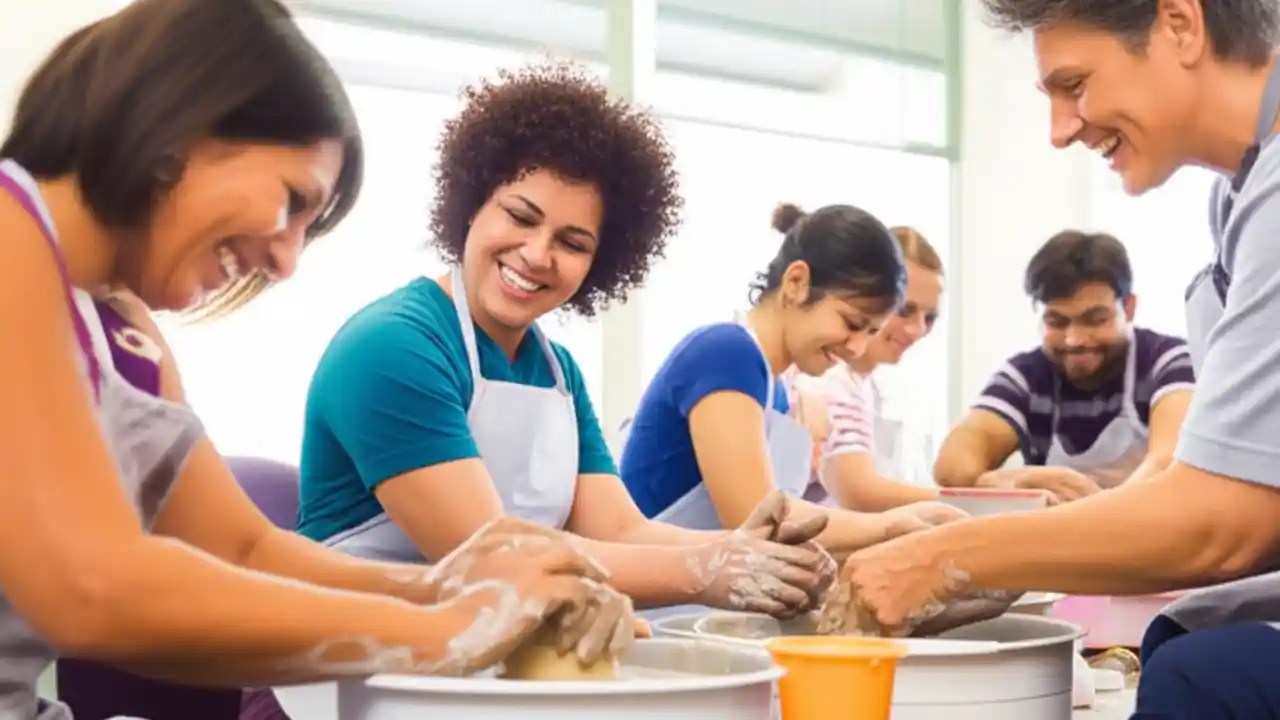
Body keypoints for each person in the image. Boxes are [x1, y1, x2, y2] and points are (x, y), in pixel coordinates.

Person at [0, 2, 636, 717]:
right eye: (292, 202)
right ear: (177, 125)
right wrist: (444, 631)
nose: (285, 261)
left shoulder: (126, 333)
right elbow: (91, 589)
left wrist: (443, 587)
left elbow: (240, 551)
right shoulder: (9, 234)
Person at [827, 1, 1280, 716]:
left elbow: (1222, 520)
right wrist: (1005, 548)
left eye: (1076, 85)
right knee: (1179, 638)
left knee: (1201, 673)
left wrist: (946, 560)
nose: (1061, 130)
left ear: (1181, 25)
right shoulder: (1242, 198)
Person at [296, 63, 834, 623]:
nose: (536, 254)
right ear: (473, 202)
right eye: (520, 216)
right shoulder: (395, 347)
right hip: (335, 678)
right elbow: (492, 557)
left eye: (571, 243)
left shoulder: (557, 373)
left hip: (470, 656)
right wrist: (709, 569)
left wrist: (742, 552)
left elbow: (621, 529)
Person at [618, 203, 966, 569]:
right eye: (851, 323)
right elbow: (758, 520)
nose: (856, 348)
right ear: (796, 283)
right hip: (658, 609)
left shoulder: (778, 391)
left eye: (871, 333)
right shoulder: (726, 353)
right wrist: (891, 525)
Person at [933, 230, 1194, 503]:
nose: (1075, 340)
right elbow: (953, 466)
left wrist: (1096, 510)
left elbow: (1170, 465)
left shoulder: (1169, 361)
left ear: (1128, 308)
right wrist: (1008, 481)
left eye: (1094, 320)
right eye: (1056, 322)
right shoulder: (1026, 376)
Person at [784, 225, 948, 511]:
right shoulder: (829, 381)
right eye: (905, 310)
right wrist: (971, 504)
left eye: (930, 317)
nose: (918, 329)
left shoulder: (872, 387)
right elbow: (859, 492)